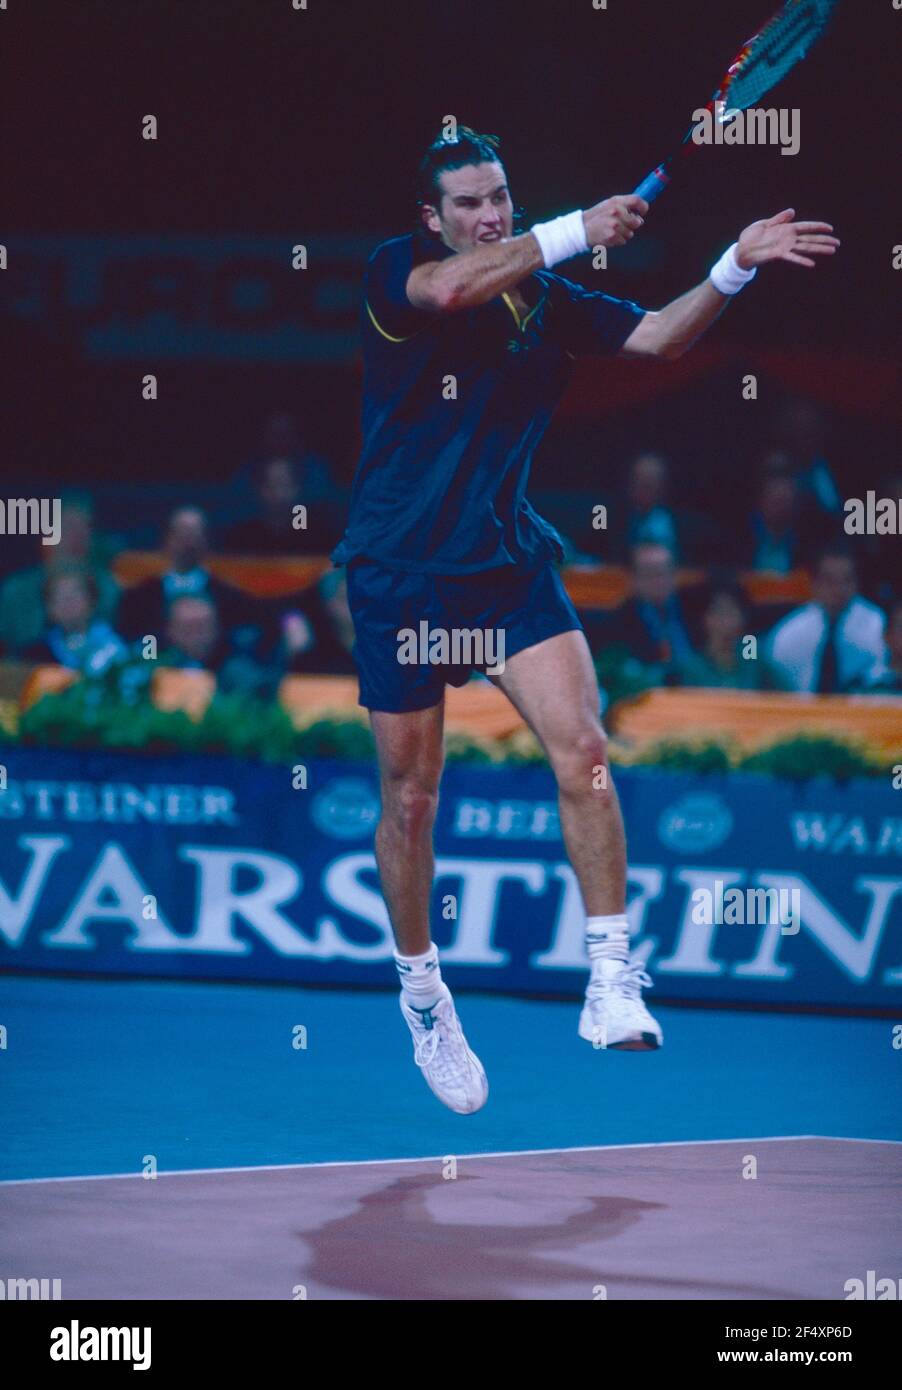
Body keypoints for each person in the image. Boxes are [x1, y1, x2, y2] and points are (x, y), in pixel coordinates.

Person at [330, 124, 839, 1114]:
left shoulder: (542, 298)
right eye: (468, 201)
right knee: (410, 800)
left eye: (499, 195)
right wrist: (575, 227)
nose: (489, 213)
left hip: (507, 564)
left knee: (585, 749)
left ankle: (608, 977)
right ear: (430, 218)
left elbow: (654, 334)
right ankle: (423, 992)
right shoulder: (398, 274)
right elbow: (451, 291)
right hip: (399, 574)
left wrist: (731, 265)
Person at [765, 546, 885, 693]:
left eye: (847, 580)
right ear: (814, 583)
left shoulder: (878, 627)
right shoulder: (788, 635)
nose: (839, 589)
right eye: (830, 580)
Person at [673, 583, 784, 690]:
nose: (727, 622)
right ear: (704, 618)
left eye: (732, 613)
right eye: (719, 612)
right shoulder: (690, 666)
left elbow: (786, 697)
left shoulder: (754, 657)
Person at [21, 568, 126, 676]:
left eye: (75, 593)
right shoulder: (35, 656)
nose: (68, 601)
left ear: (92, 600)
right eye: (58, 596)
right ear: (48, 608)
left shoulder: (121, 643)